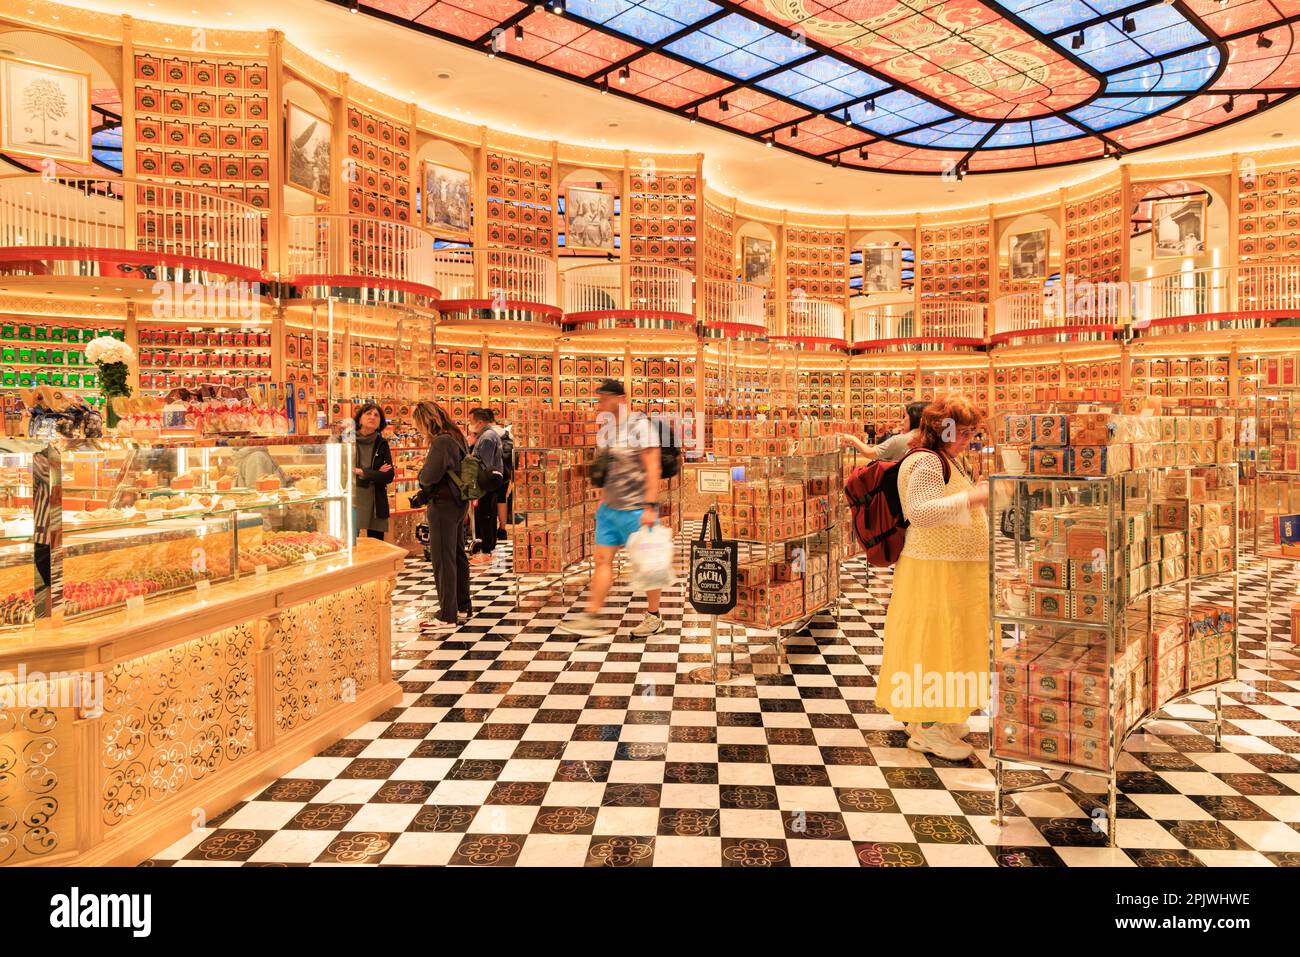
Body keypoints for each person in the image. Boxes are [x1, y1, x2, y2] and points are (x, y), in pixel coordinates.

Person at [876, 395, 990, 761]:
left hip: (952, 567)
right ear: (946, 428)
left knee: (951, 642)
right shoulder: (926, 461)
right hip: (934, 568)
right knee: (935, 643)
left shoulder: (945, 459)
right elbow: (921, 513)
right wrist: (977, 497)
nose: (970, 438)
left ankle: (940, 715)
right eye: (966, 431)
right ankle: (927, 726)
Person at [558, 379, 664, 640]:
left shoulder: (641, 426)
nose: (600, 404)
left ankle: (654, 616)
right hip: (610, 509)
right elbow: (609, 468)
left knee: (648, 565)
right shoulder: (608, 430)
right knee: (602, 561)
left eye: (604, 399)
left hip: (636, 509)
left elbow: (653, 468)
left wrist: (650, 506)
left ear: (619, 399)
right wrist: (603, 498)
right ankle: (593, 615)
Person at [414, 401, 471, 633]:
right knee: (457, 554)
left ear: (426, 421)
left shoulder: (441, 441)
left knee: (442, 559)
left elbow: (429, 476)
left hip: (443, 504)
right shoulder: (456, 435)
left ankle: (447, 615)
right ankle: (462, 606)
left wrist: (420, 471)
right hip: (459, 502)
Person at [467, 408, 504, 566]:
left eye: (471, 421)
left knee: (486, 515)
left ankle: (486, 550)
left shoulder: (487, 437)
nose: (470, 424)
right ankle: (486, 547)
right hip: (486, 483)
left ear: (480, 422)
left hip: (486, 483)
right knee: (485, 514)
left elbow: (485, 465)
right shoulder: (486, 436)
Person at [352, 402, 394, 542]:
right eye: (368, 413)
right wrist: (375, 473)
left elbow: (388, 475)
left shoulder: (382, 444)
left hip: (376, 500)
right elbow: (343, 469)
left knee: (377, 545)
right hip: (352, 497)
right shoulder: (348, 441)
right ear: (359, 419)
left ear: (380, 422)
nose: (372, 417)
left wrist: (360, 471)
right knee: (350, 542)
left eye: (376, 415)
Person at [838, 400, 925, 462]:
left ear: (914, 418)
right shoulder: (928, 437)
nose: (903, 420)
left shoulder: (901, 440)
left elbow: (870, 453)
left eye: (905, 416)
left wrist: (852, 439)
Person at [492, 414, 514, 541]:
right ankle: (502, 528)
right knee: (502, 499)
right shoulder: (507, 434)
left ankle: (491, 526)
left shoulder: (488, 433)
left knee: (490, 500)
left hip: (493, 473)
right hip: (505, 473)